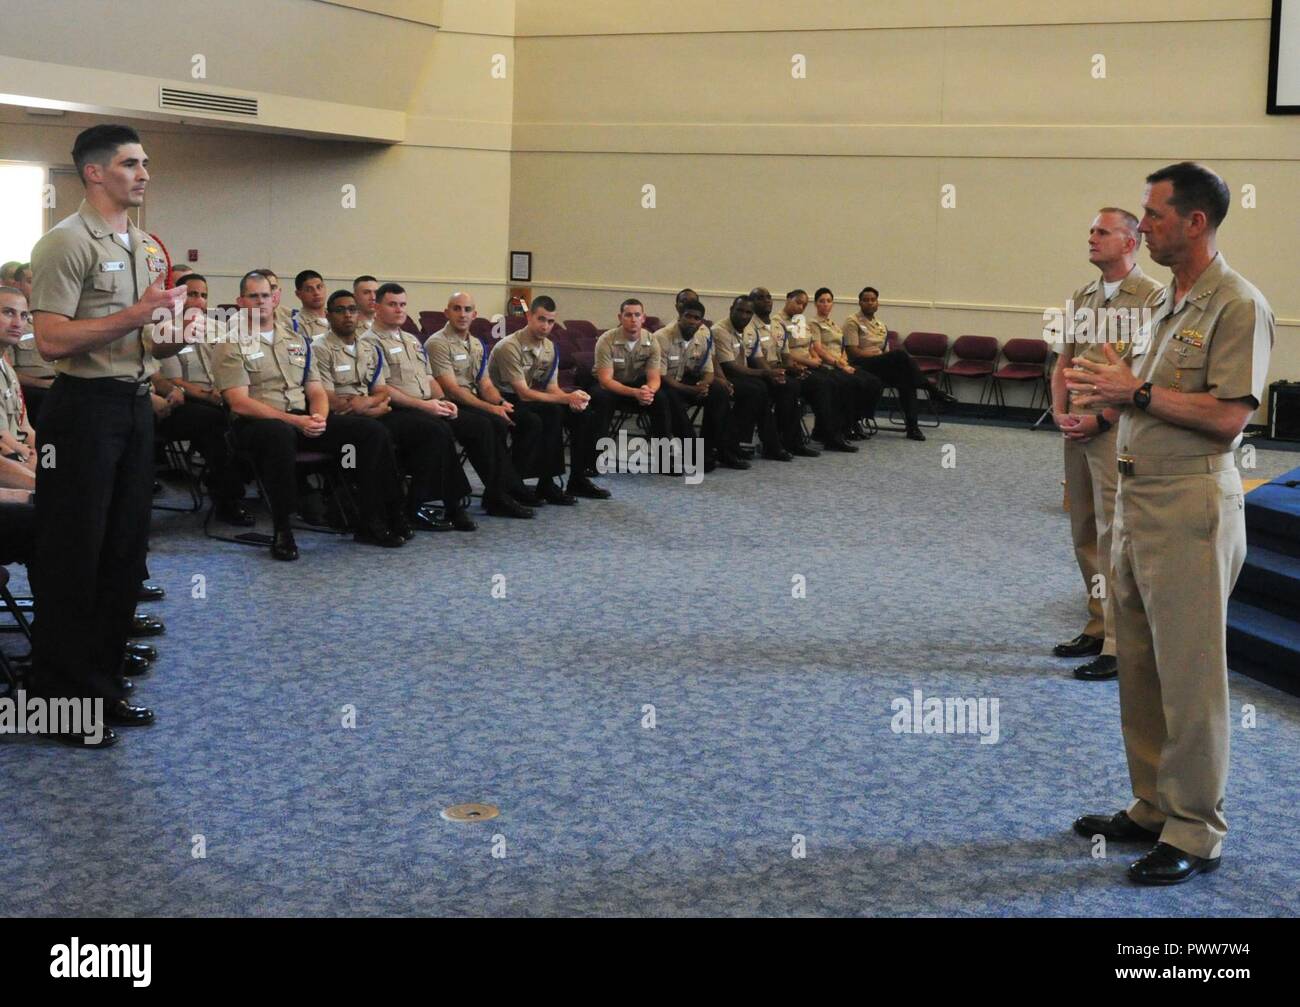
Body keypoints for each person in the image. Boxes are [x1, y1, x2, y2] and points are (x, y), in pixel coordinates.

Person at [1066, 162, 1274, 886]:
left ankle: (1196, 828)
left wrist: (1137, 390)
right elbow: (1139, 398)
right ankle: (1153, 803)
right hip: (1137, 500)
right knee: (1143, 669)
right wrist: (1104, 403)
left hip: (1191, 509)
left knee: (1191, 679)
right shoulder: (1167, 303)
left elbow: (1226, 419)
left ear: (1195, 222)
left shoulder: (1237, 305)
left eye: (1153, 215)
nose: (1142, 224)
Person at [27, 123, 190, 745]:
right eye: (129, 163)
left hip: (133, 406)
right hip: (83, 410)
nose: (143, 172)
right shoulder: (64, 244)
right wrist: (140, 313)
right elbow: (51, 340)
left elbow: (150, 339)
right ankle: (56, 703)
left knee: (124, 554)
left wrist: (174, 330)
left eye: (145, 162)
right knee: (74, 554)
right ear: (95, 172)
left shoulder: (146, 245)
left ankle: (101, 684)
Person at [211, 271, 408, 560]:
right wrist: (296, 421)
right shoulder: (231, 343)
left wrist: (319, 418)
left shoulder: (296, 339)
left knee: (371, 431)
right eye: (253, 296)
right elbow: (239, 403)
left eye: (266, 295)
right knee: (279, 435)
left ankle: (375, 518)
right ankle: (282, 530)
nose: (261, 301)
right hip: (257, 425)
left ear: (275, 298)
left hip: (301, 419)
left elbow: (315, 389)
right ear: (241, 302)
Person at [1050, 210, 1162, 681]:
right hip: (1076, 424)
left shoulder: (1154, 297)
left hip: (1114, 428)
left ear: (1130, 241)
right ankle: (1097, 624)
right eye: (1091, 230)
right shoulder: (1084, 294)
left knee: (1114, 534)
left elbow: (1144, 375)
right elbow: (1064, 361)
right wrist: (1059, 412)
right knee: (1083, 531)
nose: (1091, 237)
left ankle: (1119, 643)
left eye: (1102, 232)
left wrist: (1102, 418)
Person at [316, 288, 471, 532]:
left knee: (441, 427)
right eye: (340, 310)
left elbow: (380, 391)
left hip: (377, 411)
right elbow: (330, 398)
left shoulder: (382, 345)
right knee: (430, 431)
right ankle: (407, 507)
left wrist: (369, 404)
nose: (348, 315)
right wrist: (369, 406)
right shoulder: (327, 346)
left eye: (352, 309)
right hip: (352, 418)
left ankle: (437, 503)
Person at [425, 291, 538, 517]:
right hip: (450, 404)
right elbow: (452, 390)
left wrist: (501, 402)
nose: (462, 314)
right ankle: (500, 493)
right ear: (446, 312)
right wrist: (490, 408)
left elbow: (485, 384)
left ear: (475, 314)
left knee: (526, 420)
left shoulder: (476, 344)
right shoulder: (437, 343)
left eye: (467, 310)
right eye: (456, 309)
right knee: (487, 425)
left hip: (472, 400)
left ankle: (510, 485)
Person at [153, 273, 253, 525]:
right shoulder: (163, 327)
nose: (199, 300)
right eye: (192, 294)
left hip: (218, 397)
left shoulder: (217, 327)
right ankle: (228, 498)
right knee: (217, 422)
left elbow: (234, 366)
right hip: (179, 402)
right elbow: (172, 382)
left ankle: (232, 483)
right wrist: (212, 396)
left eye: (204, 295)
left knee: (245, 418)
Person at [489, 295, 611, 499]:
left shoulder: (549, 347)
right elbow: (523, 393)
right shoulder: (509, 346)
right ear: (529, 317)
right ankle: (526, 483)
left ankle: (577, 479)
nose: (546, 326)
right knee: (548, 414)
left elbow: (552, 388)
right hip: (504, 399)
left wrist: (573, 398)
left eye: (551, 321)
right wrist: (566, 399)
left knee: (583, 414)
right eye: (541, 319)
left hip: (530, 398)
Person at [843, 286, 956, 440]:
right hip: (861, 364)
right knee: (900, 355)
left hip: (880, 365)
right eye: (866, 300)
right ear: (860, 303)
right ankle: (933, 391)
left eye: (873, 300)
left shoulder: (881, 325)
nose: (870, 303)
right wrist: (875, 355)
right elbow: (853, 352)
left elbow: (886, 352)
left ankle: (913, 428)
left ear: (877, 303)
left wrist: (883, 356)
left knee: (907, 381)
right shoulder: (852, 322)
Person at [655, 297, 745, 470]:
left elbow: (708, 370)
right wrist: (691, 390)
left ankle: (717, 449)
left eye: (696, 318)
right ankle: (694, 453)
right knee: (670, 398)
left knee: (719, 390)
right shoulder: (662, 337)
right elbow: (663, 377)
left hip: (687, 381)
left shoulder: (702, 336)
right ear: (679, 316)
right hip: (665, 384)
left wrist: (704, 385)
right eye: (688, 316)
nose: (692, 321)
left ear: (700, 322)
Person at [713, 296, 792, 461]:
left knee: (780, 386)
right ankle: (734, 445)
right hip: (724, 377)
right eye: (740, 311)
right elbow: (729, 366)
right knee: (756, 390)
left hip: (744, 375)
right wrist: (765, 374)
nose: (743, 316)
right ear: (731, 309)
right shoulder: (720, 330)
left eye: (748, 312)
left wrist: (773, 374)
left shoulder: (750, 330)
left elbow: (756, 358)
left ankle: (776, 443)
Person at [589, 298, 673, 453]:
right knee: (602, 399)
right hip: (609, 386)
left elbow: (654, 378)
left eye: (637, 315)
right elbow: (606, 380)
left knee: (660, 398)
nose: (633, 319)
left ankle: (664, 458)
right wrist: (635, 393)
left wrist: (649, 392)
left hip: (636, 385)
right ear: (620, 318)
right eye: (628, 315)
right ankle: (593, 458)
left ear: (643, 318)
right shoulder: (606, 340)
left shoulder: (651, 340)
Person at [804, 288, 882, 440]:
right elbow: (818, 348)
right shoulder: (813, 323)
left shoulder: (833, 324)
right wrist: (838, 363)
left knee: (873, 382)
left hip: (840, 363)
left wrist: (845, 361)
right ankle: (845, 426)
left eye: (829, 301)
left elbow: (842, 347)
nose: (825, 304)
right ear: (816, 304)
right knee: (851, 383)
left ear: (832, 304)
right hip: (828, 365)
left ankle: (855, 419)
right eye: (822, 301)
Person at [0, 287, 38, 490]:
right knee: (56, 494)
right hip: (7, 460)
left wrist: (48, 459)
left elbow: (26, 428)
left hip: (18, 456)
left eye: (23, 315)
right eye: (8, 313)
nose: (18, 323)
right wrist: (29, 461)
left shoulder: (7, 369)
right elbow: (3, 439)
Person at [292, 269, 330, 339]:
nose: (316, 293)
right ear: (298, 294)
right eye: (309, 289)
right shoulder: (296, 324)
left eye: (319, 287)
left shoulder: (337, 316)